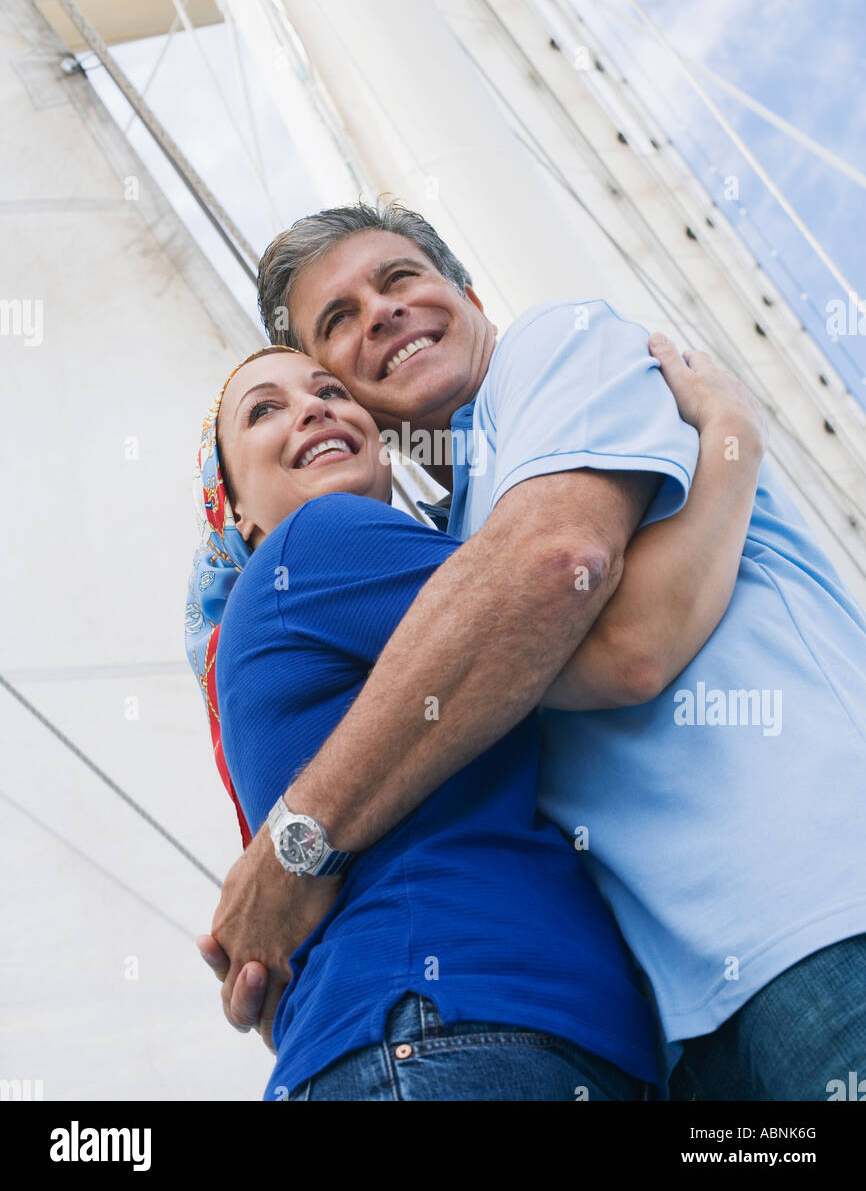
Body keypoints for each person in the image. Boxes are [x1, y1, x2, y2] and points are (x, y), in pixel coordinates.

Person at [195, 201, 866, 1101]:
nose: (380, 314)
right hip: (671, 1036)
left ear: (472, 296)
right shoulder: (430, 548)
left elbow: (605, 621)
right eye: (337, 324)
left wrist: (737, 441)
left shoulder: (558, 346)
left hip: (810, 921)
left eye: (398, 280)